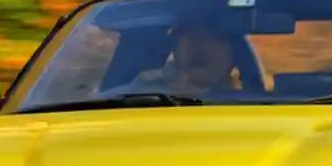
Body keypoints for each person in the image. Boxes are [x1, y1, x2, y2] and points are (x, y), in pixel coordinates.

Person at [103, 24, 241, 97]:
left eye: (214, 40)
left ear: (232, 53)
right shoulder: (142, 88)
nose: (202, 48)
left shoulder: (249, 101)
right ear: (173, 44)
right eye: (193, 38)